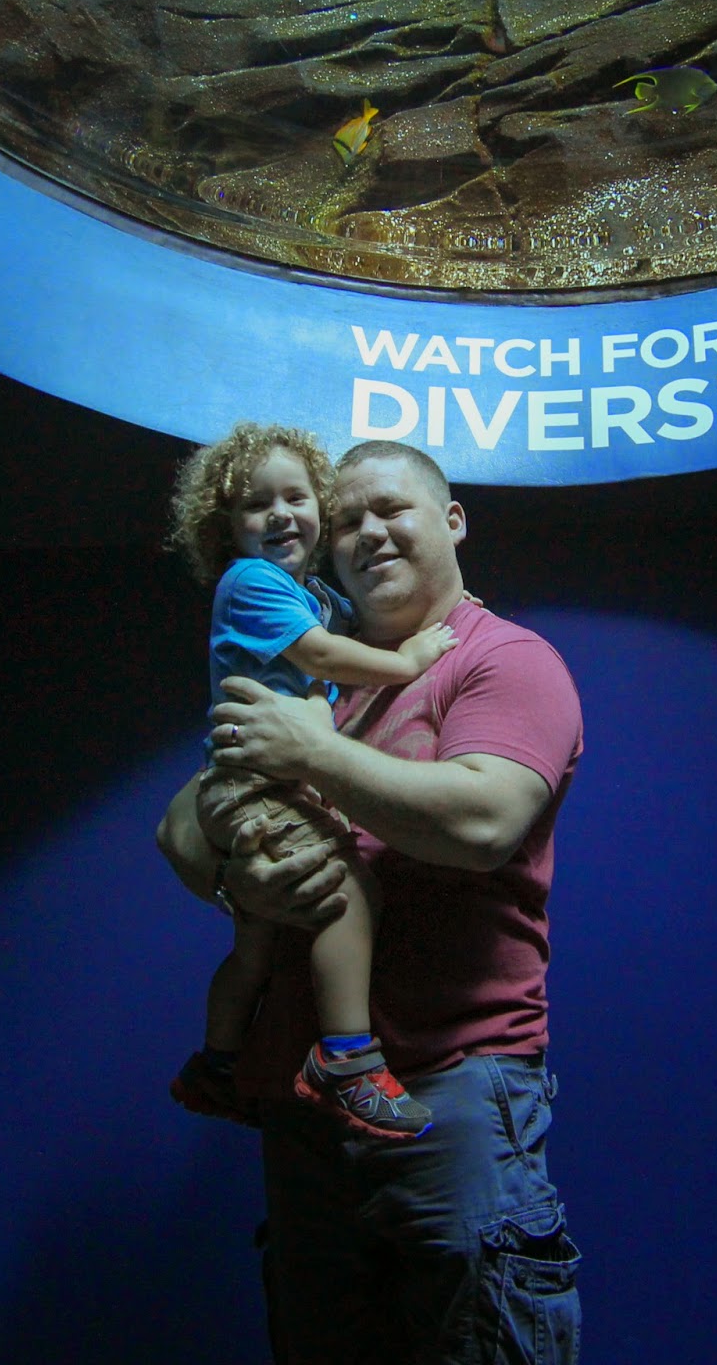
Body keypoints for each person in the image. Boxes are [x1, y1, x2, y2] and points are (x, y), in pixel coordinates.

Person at [157, 440, 584, 1364]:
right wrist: (240, 876)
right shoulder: (316, 678)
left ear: (453, 519)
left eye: (390, 508)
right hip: (303, 1113)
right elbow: (181, 827)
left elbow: (481, 822)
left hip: (449, 1089)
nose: (364, 531)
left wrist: (310, 755)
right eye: (344, 518)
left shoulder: (504, 661)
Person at [166, 421, 458, 1140]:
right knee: (348, 891)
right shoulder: (255, 582)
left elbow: (341, 628)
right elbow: (324, 656)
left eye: (296, 498)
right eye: (255, 506)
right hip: (255, 783)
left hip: (263, 782)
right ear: (225, 529)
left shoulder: (314, 594)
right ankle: (349, 1062)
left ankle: (218, 1063)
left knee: (255, 950)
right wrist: (412, 658)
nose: (279, 515)